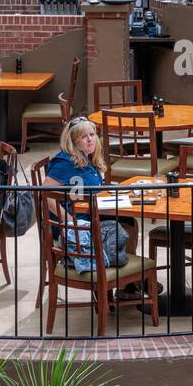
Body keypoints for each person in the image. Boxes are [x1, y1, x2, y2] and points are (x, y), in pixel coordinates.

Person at [43, 117, 133, 278]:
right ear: (73, 141)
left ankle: (127, 282)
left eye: (92, 134)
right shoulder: (65, 162)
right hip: (76, 223)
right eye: (84, 136)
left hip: (90, 214)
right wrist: (70, 220)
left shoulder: (87, 158)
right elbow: (45, 193)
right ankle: (123, 283)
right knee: (126, 225)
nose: (90, 139)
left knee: (129, 220)